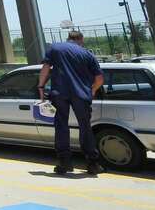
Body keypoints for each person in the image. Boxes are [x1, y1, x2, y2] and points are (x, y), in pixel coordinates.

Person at [37, 31, 105, 175]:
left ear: (68, 38)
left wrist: (41, 87)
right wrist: (92, 90)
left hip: (59, 94)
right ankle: (92, 164)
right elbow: (99, 79)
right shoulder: (87, 54)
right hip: (81, 95)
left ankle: (64, 163)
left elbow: (45, 69)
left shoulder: (55, 48)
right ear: (81, 39)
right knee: (85, 126)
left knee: (61, 126)